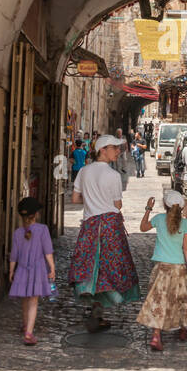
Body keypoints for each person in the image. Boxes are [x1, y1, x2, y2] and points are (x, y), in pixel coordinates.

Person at [67, 134, 140, 331]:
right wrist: (103, 202)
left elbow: (75, 199)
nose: (118, 151)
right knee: (110, 268)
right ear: (102, 150)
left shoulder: (84, 171)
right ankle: (99, 310)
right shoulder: (113, 176)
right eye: (114, 148)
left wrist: (92, 200)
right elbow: (118, 205)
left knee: (91, 267)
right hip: (110, 227)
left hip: (90, 226)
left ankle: (95, 310)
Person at [137, 188, 187, 352]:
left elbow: (143, 228)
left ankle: (156, 335)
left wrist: (148, 209)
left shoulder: (159, 219)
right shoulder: (185, 224)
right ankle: (182, 329)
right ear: (181, 207)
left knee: (159, 301)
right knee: (180, 299)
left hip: (161, 268)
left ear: (165, 205)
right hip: (178, 269)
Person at [8, 197, 56, 346]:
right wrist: (52, 268)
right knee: (33, 302)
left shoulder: (17, 233)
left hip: (22, 269)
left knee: (24, 298)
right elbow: (48, 251)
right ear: (36, 214)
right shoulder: (42, 230)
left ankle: (25, 325)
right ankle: (29, 333)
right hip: (38, 270)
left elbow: (14, 255)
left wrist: (11, 271)